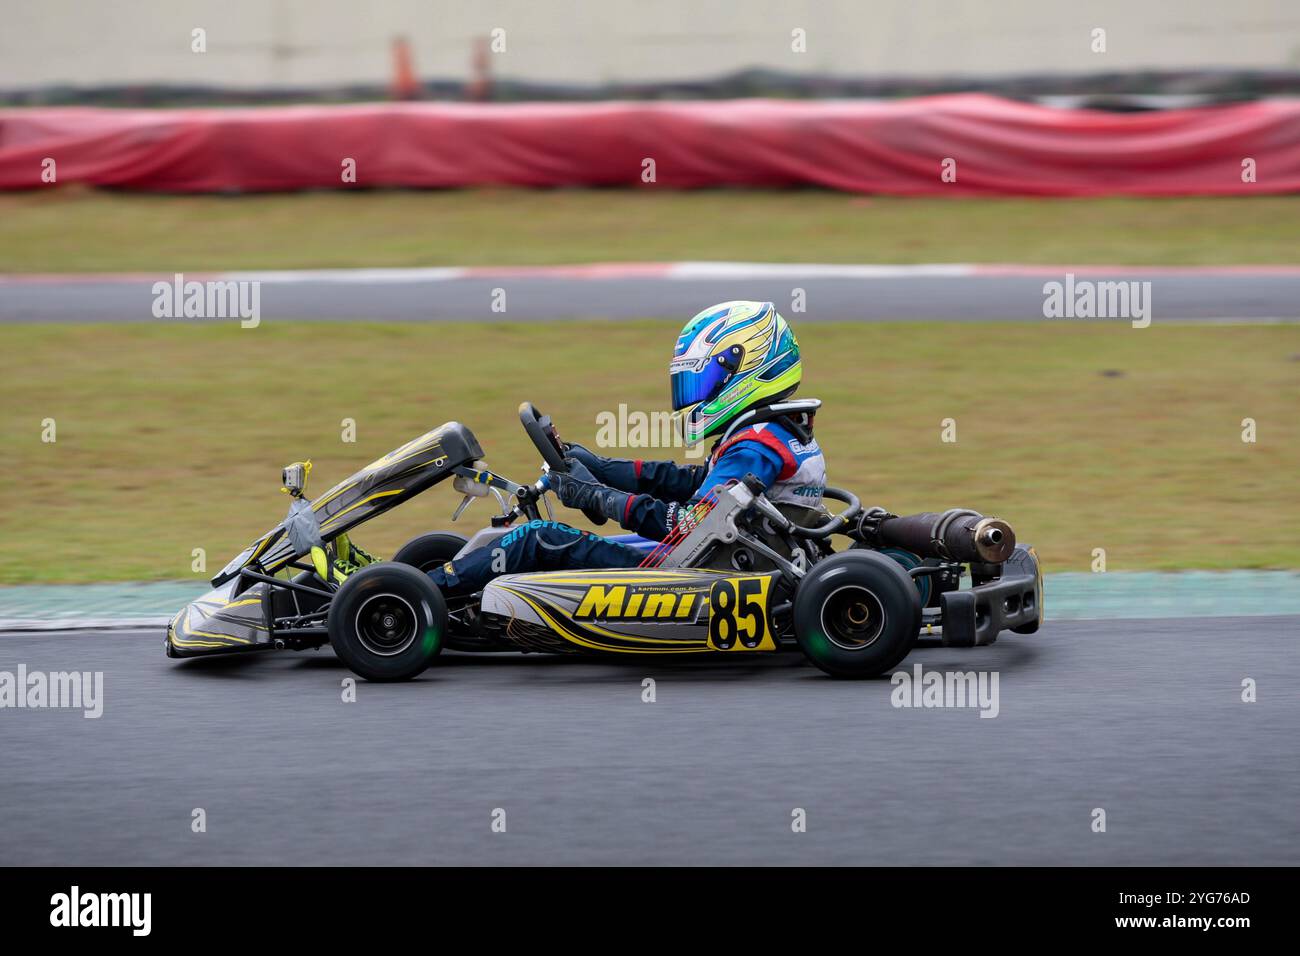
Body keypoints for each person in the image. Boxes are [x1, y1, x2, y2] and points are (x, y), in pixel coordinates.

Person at [426, 300, 826, 597]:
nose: (693, 397)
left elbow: (686, 527)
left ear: (746, 366)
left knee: (538, 537)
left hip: (703, 574)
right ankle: (437, 583)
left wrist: (594, 496)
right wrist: (599, 467)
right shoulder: (771, 433)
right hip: (721, 555)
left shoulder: (755, 447)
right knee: (542, 539)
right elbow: (689, 482)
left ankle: (420, 595)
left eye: (703, 380)